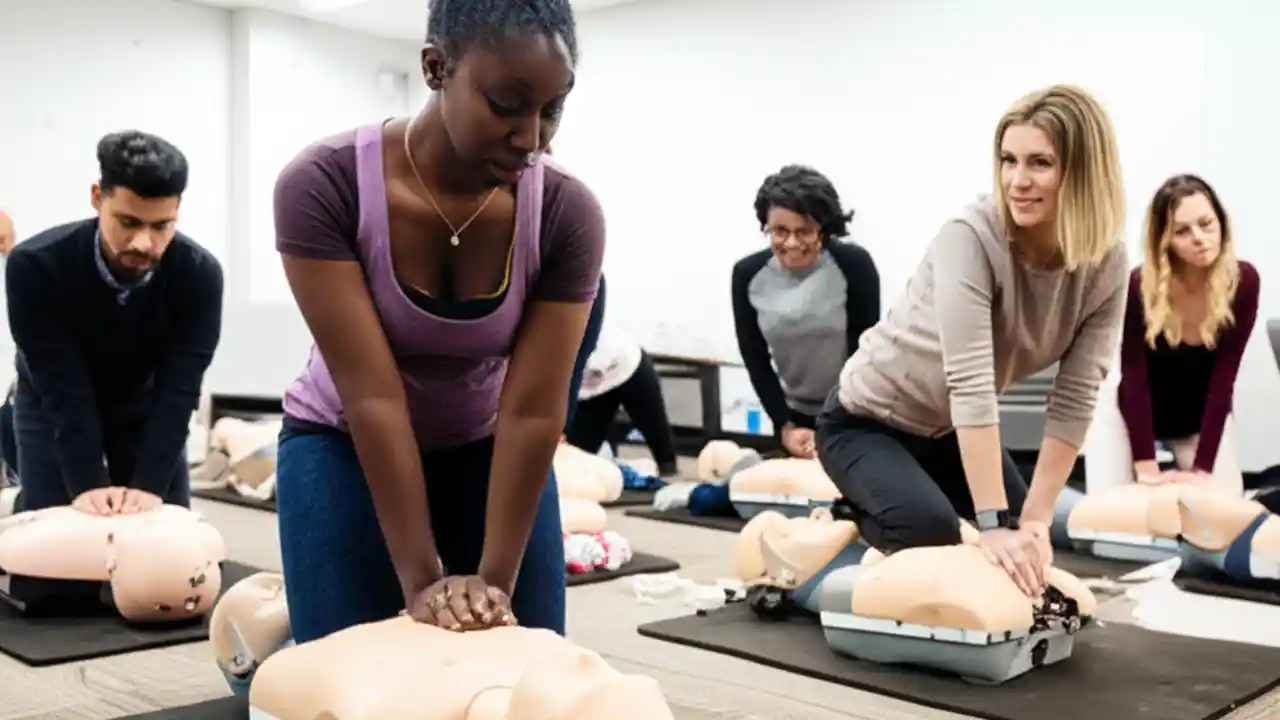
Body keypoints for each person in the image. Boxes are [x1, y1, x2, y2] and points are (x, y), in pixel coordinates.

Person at [272, 0, 604, 645]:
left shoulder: (567, 212)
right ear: (435, 68)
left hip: (485, 444)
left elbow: (534, 409)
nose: (531, 137)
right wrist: (424, 583)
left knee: (522, 667)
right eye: (506, 104)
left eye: (551, 108)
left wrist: (494, 588)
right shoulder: (323, 184)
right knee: (350, 672)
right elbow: (373, 396)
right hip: (341, 439)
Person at [815, 84, 1129, 598]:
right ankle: (842, 521)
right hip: (864, 422)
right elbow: (971, 382)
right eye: (1008, 160)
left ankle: (904, 507)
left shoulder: (1107, 264)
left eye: (1040, 163)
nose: (1018, 181)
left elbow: (1076, 395)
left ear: (1084, 171)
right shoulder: (971, 235)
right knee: (932, 531)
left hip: (944, 435)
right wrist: (992, 524)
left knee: (1022, 545)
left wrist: (1033, 521)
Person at [4, 130, 223, 516]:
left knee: (162, 552)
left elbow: (180, 386)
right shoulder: (35, 266)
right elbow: (60, 383)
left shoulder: (199, 274)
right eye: (128, 222)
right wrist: (86, 480)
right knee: (58, 549)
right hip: (51, 403)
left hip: (145, 405)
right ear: (96, 197)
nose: (143, 242)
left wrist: (151, 484)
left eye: (161, 226)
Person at [1084, 175, 1259, 498]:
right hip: (1128, 412)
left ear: (1220, 221)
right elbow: (1134, 377)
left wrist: (1203, 469)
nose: (1200, 238)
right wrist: (1145, 465)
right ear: (1164, 240)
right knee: (1108, 525)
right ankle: (1050, 511)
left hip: (1193, 419)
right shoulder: (1139, 285)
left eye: (1206, 224)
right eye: (1182, 231)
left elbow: (1224, 378)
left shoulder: (1243, 281)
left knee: (1220, 521)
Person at [732, 165, 880, 459]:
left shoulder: (853, 266)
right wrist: (784, 426)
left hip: (855, 412)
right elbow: (756, 359)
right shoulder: (747, 276)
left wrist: (836, 424)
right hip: (793, 418)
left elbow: (865, 354)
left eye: (805, 231)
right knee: (799, 499)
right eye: (780, 231)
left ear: (824, 229)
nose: (792, 243)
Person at [567, 300, 680, 480]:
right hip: (590, 388)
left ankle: (667, 467)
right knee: (580, 454)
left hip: (627, 365)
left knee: (656, 429)